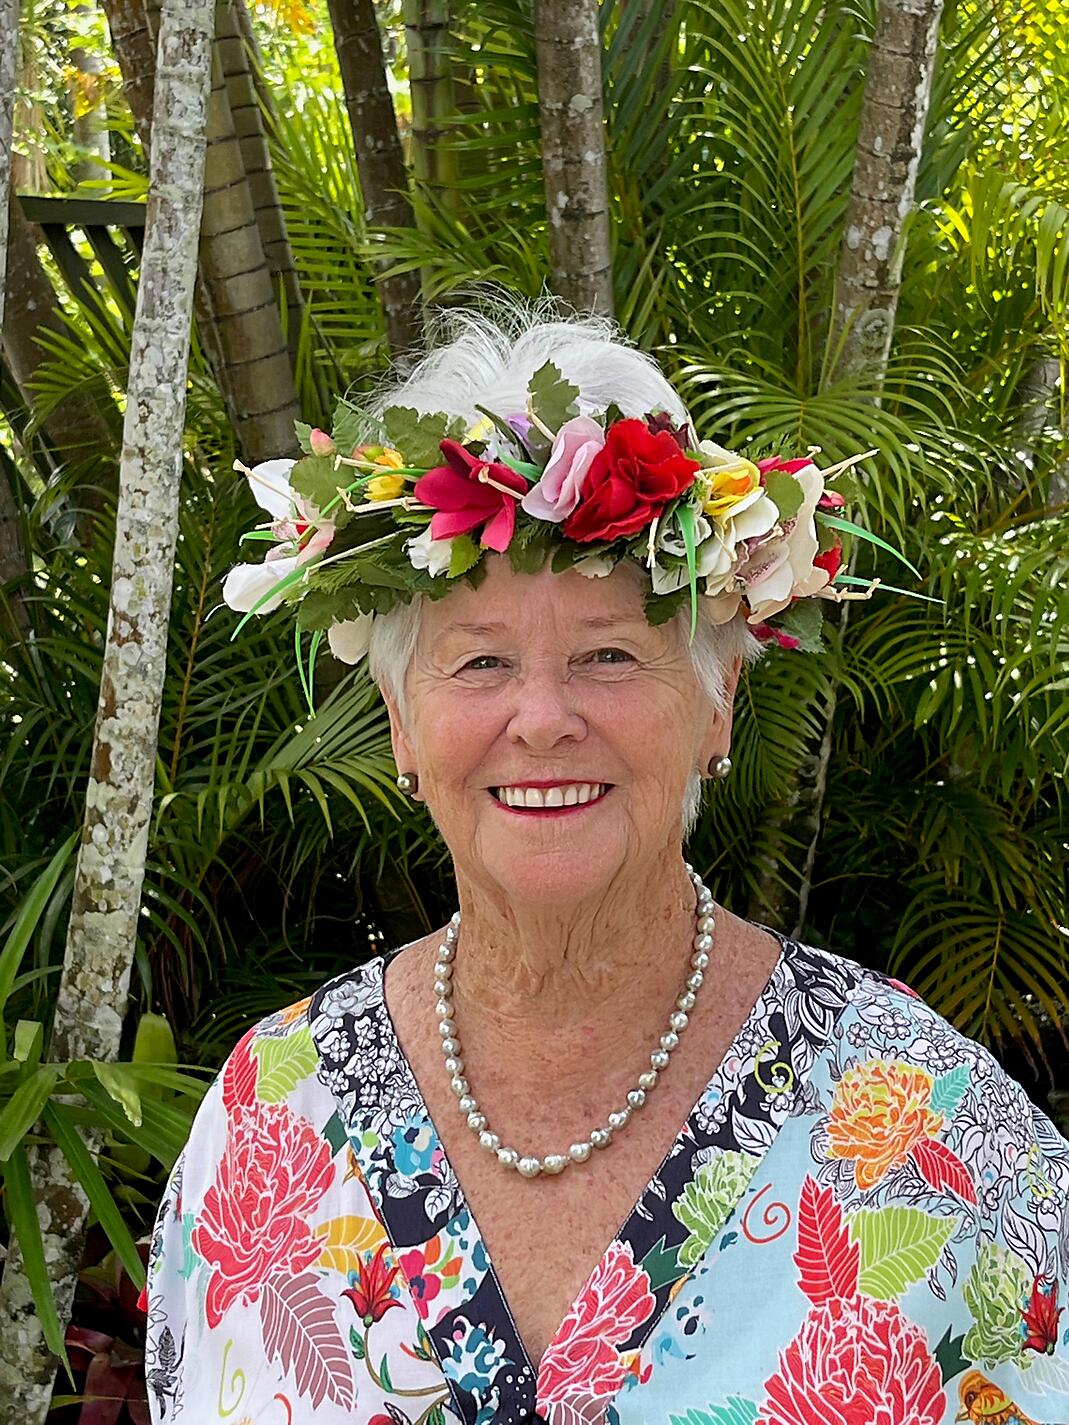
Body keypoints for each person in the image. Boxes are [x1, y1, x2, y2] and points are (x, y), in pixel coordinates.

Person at [145, 305, 1069, 1425]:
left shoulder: (928, 1124)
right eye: (479, 662)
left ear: (718, 701)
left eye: (608, 655)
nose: (542, 718)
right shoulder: (267, 1112)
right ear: (398, 720)